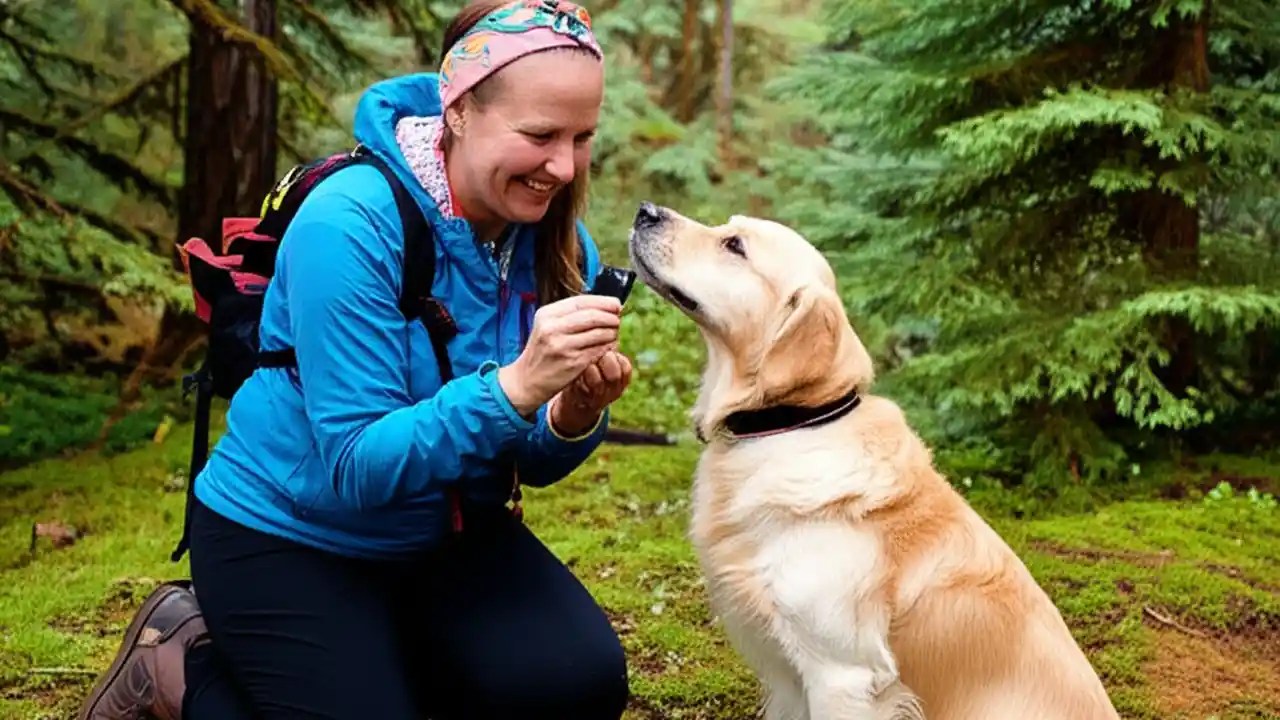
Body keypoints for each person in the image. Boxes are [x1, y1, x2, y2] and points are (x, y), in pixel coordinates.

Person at [78, 1, 633, 718]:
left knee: (575, 685)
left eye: (583, 138)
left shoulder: (554, 242)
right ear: (458, 110)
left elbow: (528, 458)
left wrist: (570, 414)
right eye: (540, 135)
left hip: (443, 534)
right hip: (289, 536)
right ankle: (176, 667)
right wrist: (518, 386)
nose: (562, 166)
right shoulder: (351, 223)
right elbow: (358, 466)